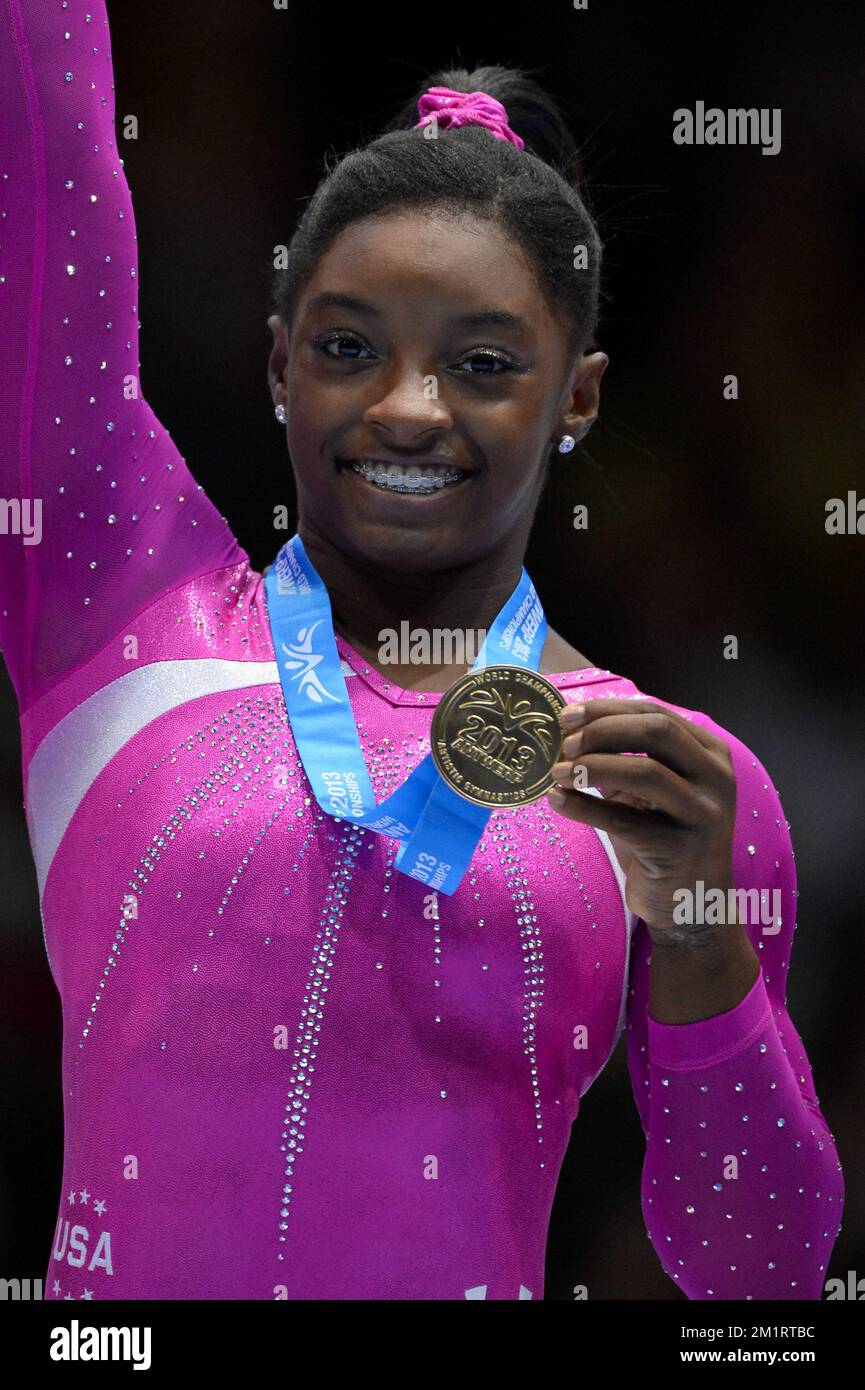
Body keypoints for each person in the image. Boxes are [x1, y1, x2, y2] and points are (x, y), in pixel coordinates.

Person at [0, 1, 843, 1301]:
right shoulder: (118, 608)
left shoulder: (671, 791)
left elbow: (758, 1271)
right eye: (347, 347)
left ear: (578, 395)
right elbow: (48, 168)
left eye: (483, 362)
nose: (405, 405)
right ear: (279, 365)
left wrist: (700, 937)